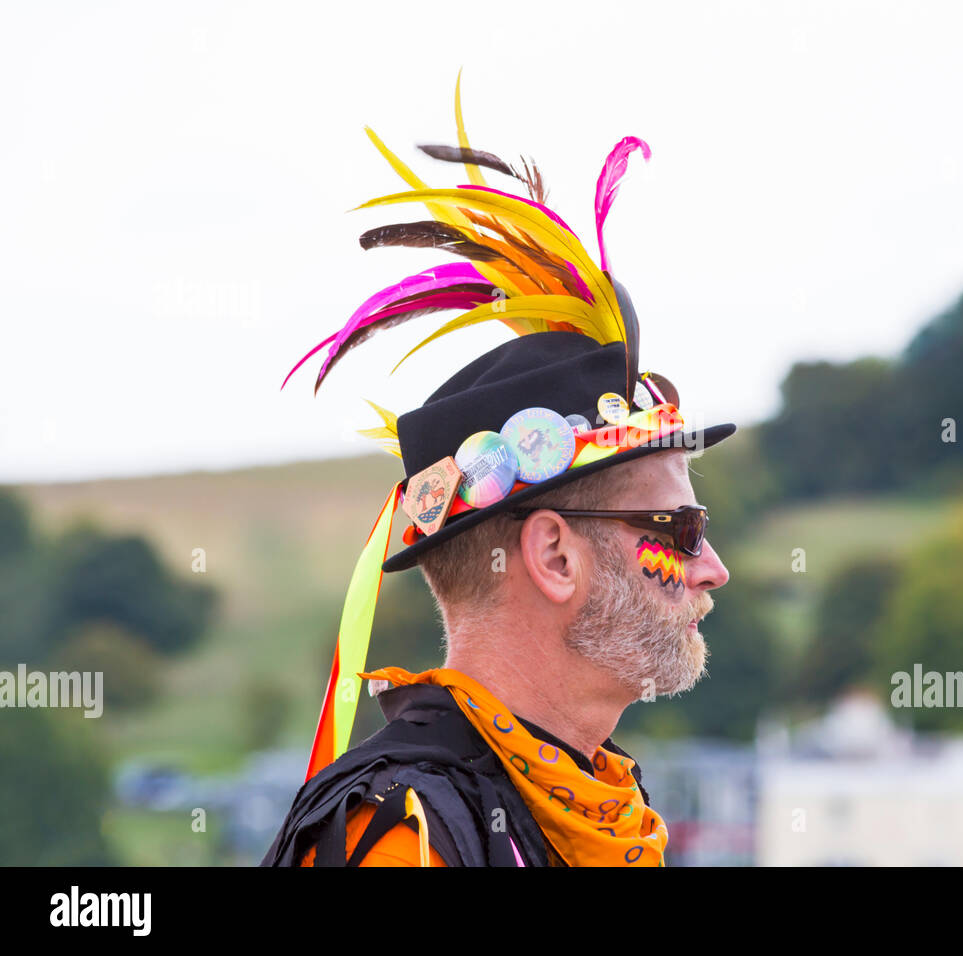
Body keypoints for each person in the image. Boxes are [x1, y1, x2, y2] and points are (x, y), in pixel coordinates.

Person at [260, 76, 736, 867]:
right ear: (554, 556)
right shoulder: (400, 838)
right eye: (681, 529)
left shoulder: (588, 808)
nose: (712, 569)